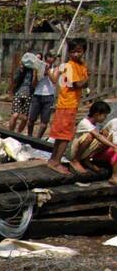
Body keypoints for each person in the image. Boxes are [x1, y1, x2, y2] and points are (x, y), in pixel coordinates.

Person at [49, 41, 89, 173]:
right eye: (73, 51)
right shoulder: (70, 66)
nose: (76, 54)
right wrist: (85, 81)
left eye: (79, 51)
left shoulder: (81, 66)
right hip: (67, 104)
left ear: (84, 51)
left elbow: (83, 83)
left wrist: (84, 82)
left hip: (71, 104)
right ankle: (56, 162)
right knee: (65, 136)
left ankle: (53, 160)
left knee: (62, 134)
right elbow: (75, 84)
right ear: (70, 52)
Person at [70, 100, 117, 175]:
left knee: (106, 136)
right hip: (75, 151)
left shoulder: (96, 125)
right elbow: (97, 136)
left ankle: (86, 160)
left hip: (85, 151)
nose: (105, 118)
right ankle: (75, 160)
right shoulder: (85, 122)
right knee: (90, 136)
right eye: (104, 116)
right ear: (97, 114)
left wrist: (103, 132)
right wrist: (113, 146)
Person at [28, 51, 58, 139]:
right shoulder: (37, 68)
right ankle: (29, 137)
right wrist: (40, 73)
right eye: (50, 57)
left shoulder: (55, 69)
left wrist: (48, 71)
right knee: (31, 120)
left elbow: (54, 80)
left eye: (53, 57)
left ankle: (38, 139)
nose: (52, 59)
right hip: (37, 95)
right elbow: (34, 84)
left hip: (49, 96)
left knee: (44, 122)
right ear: (46, 57)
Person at [8, 53, 38, 134]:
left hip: (29, 94)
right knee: (15, 115)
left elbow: (34, 84)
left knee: (25, 118)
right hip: (18, 93)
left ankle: (18, 133)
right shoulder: (21, 70)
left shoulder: (34, 71)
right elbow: (15, 80)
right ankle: (10, 133)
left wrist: (35, 74)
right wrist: (20, 70)